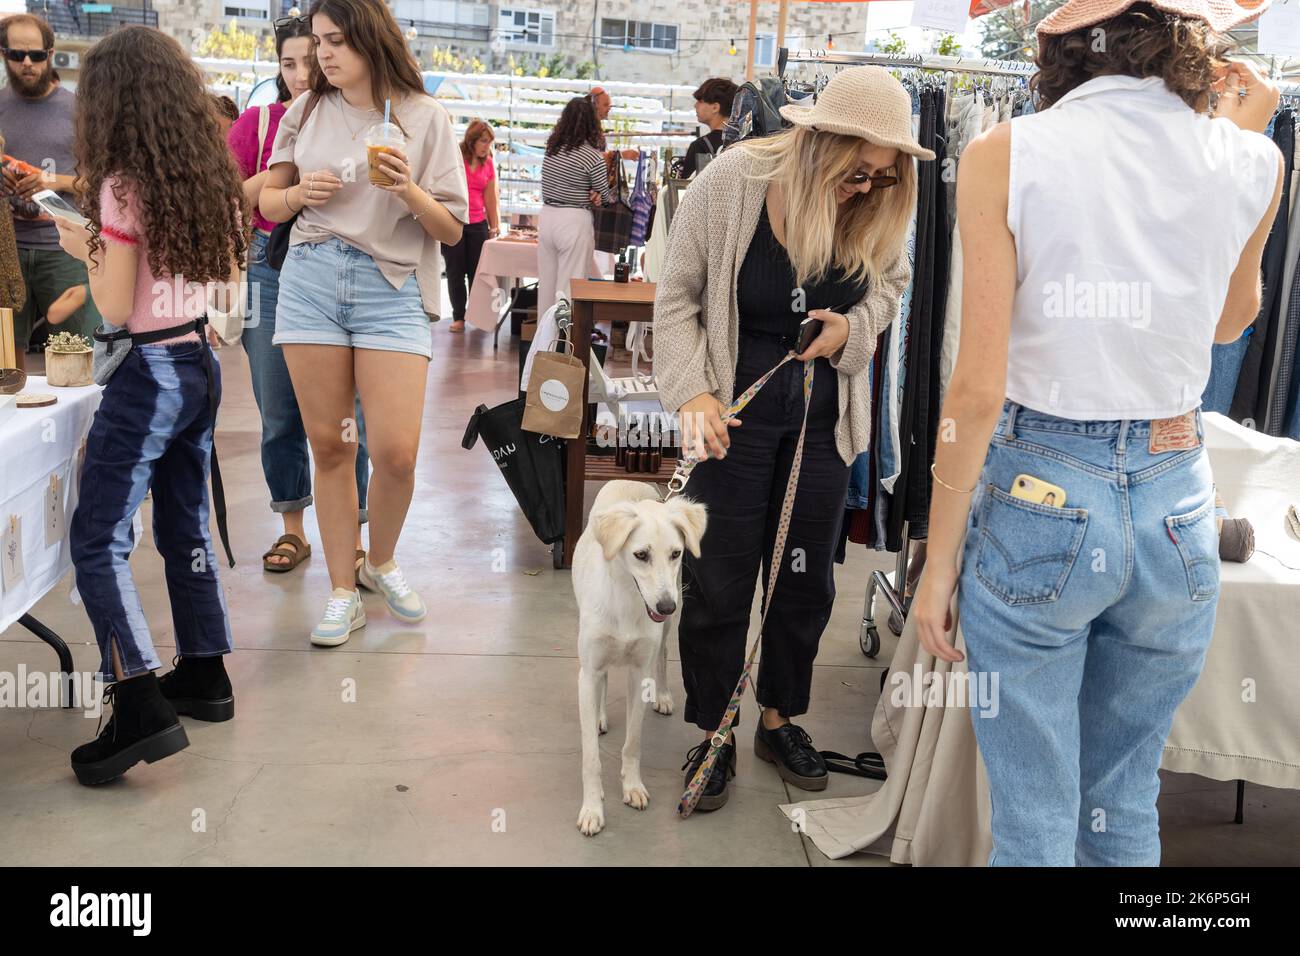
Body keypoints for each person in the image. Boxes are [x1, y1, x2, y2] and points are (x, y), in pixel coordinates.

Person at [911, 0, 1282, 866]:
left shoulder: (1009, 152)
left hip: (1046, 486)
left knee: (1035, 819)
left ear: (1063, 43)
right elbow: (1231, 324)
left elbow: (976, 382)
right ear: (1193, 40)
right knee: (1123, 803)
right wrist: (1241, 141)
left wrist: (938, 563)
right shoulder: (1253, 157)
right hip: (1177, 500)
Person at [653, 67, 925, 811]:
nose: (865, 188)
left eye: (881, 176)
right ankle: (715, 730)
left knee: (803, 579)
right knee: (720, 577)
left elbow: (892, 286)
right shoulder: (735, 178)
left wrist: (852, 329)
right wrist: (694, 394)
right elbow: (675, 293)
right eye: (855, 170)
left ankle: (780, 719)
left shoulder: (884, 203)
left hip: (821, 408)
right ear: (817, 144)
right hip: (731, 407)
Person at [58, 26, 246, 784]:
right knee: (184, 524)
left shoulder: (122, 187)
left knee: (97, 538)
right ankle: (204, 672)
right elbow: (226, 278)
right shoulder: (206, 174)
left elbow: (109, 303)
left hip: (151, 373)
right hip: (198, 362)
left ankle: (135, 698)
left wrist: (90, 249)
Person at [259, 0, 467, 646]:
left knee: (397, 451)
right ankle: (342, 591)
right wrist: (296, 197)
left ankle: (382, 561)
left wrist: (407, 190)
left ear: (371, 40)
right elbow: (267, 198)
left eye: (337, 41)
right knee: (331, 446)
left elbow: (453, 229)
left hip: (392, 284)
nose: (323, 54)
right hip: (313, 276)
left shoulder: (424, 117)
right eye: (317, 41)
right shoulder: (306, 111)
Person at [226, 13, 373, 578]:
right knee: (277, 404)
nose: (301, 74)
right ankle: (292, 528)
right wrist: (278, 182)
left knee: (347, 413)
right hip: (269, 266)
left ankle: (354, 532)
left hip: (340, 266)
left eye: (310, 60)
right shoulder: (260, 123)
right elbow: (229, 201)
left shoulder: (359, 117)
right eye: (289, 64)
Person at [0, 14, 102, 369]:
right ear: (4, 55)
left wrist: (51, 182)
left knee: (81, 356)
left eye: (36, 55)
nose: (26, 63)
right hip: (6, 250)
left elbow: (102, 180)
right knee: (6, 367)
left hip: (65, 248)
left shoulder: (77, 110)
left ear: (51, 54)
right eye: (16, 54)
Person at [537, 96, 613, 319]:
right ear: (592, 122)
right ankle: (563, 346)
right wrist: (597, 195)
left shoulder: (551, 151)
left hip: (548, 216)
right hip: (574, 220)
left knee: (547, 288)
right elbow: (605, 195)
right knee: (569, 291)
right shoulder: (591, 156)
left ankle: (544, 346)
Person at [443, 118, 499, 333]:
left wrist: (494, 227)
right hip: (455, 222)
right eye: (484, 141)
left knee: (477, 273)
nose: (487, 146)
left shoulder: (489, 163)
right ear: (472, 140)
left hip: (478, 225)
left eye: (490, 142)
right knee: (455, 271)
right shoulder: (457, 158)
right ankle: (459, 316)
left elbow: (490, 198)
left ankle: (476, 315)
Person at [682, 77, 738, 176]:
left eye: (700, 101)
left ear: (715, 107)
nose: (695, 105)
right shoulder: (746, 144)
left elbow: (685, 189)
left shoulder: (700, 146)